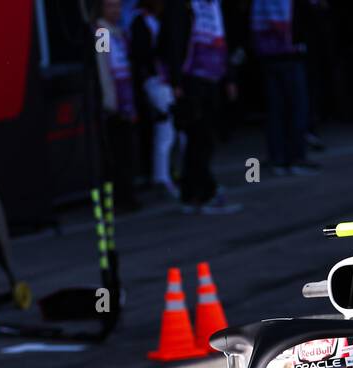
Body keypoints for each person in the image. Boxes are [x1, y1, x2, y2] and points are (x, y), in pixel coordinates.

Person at [162, 0, 242, 214]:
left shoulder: (217, 7)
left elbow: (226, 40)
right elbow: (173, 41)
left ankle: (192, 193)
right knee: (199, 137)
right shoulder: (184, 6)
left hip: (213, 80)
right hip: (192, 81)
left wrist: (230, 78)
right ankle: (204, 193)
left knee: (203, 138)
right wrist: (177, 81)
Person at [250, 0, 317, 175]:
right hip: (286, 53)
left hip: (269, 53)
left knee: (277, 109)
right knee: (296, 107)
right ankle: (295, 158)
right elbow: (282, 22)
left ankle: (279, 158)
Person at [130, 0, 179, 197]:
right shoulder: (136, 24)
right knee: (165, 129)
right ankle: (161, 176)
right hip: (152, 80)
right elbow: (138, 55)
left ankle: (167, 172)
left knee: (171, 130)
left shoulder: (161, 20)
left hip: (162, 79)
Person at [93, 0, 139, 210]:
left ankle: (126, 194)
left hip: (125, 100)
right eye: (110, 6)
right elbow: (102, 66)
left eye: (118, 6)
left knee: (126, 152)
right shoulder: (102, 33)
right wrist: (110, 101)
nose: (116, 10)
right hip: (114, 104)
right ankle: (120, 198)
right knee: (118, 153)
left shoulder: (118, 32)